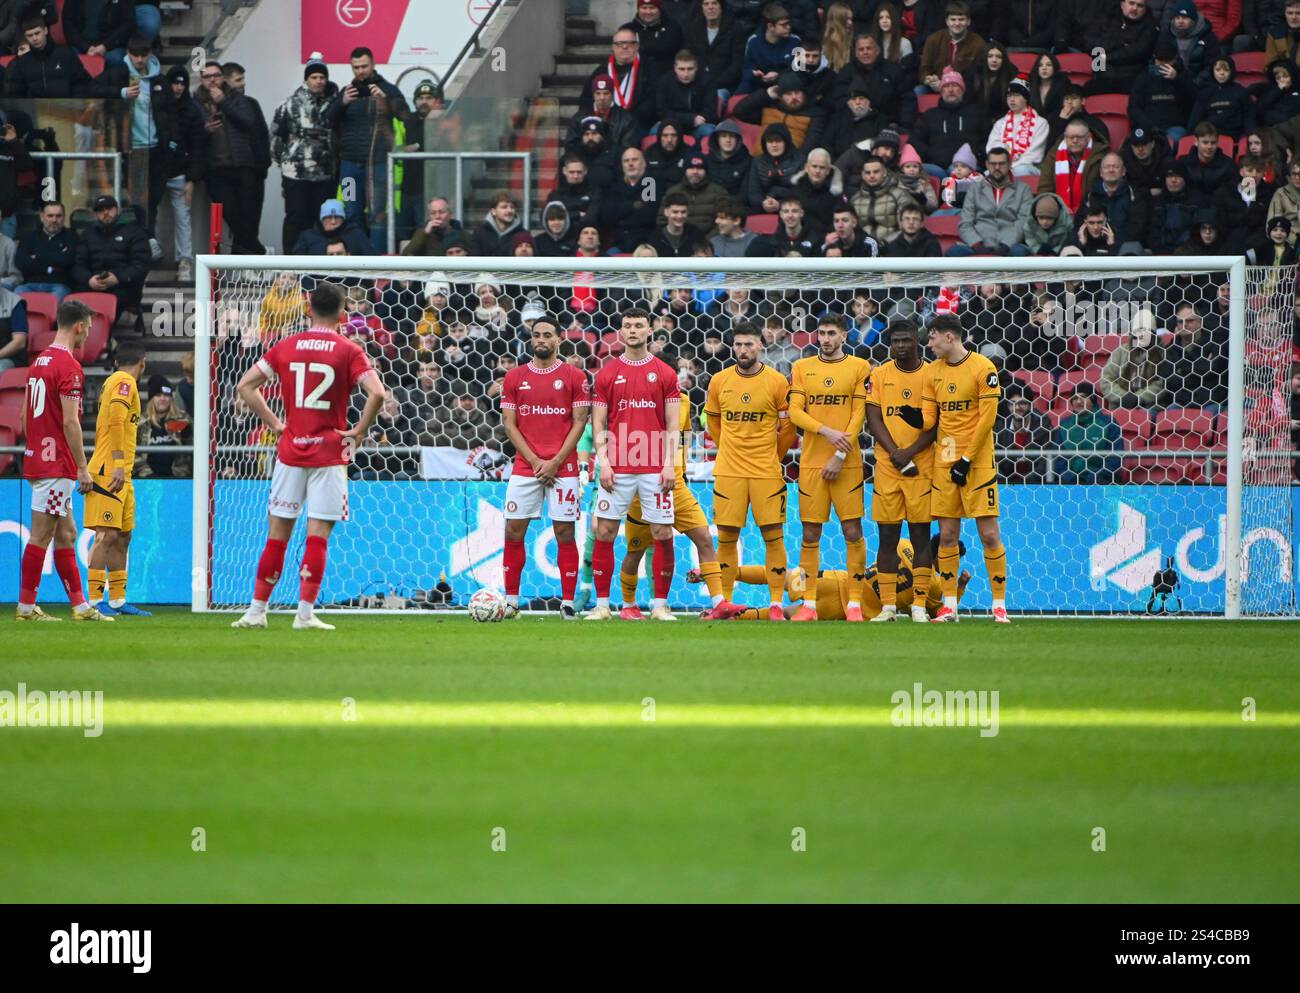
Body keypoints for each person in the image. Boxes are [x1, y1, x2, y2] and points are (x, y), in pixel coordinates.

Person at [231, 282, 387, 630]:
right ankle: (304, 613)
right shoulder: (348, 349)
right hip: (330, 453)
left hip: (290, 452)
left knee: (277, 534)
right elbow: (377, 393)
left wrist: (274, 423)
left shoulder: (286, 346)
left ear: (307, 309)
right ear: (343, 314)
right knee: (317, 534)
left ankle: (256, 611)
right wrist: (360, 431)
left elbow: (244, 386)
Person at [15, 299, 111, 622]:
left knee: (67, 532)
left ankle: (80, 607)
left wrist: (38, 447)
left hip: (41, 458)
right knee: (42, 534)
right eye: (88, 329)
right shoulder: (69, 366)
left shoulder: (39, 361)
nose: (88, 337)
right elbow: (71, 422)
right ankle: (26, 609)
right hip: (57, 464)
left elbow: (26, 420)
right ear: (80, 326)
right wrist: (83, 467)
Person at [584, 308, 682, 621]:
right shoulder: (607, 374)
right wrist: (604, 464)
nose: (633, 330)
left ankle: (659, 606)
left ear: (650, 330)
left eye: (639, 325)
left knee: (662, 533)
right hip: (618, 465)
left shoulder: (665, 373)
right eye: (627, 326)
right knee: (606, 532)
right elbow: (598, 423)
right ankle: (601, 605)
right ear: (621, 332)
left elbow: (672, 425)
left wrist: (670, 464)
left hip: (655, 465)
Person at [618, 384, 746, 621]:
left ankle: (717, 603)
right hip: (642, 486)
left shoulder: (683, 401)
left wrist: (682, 471)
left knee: (705, 538)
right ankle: (628, 604)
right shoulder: (638, 402)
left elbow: (683, 439)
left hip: (675, 485)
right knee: (635, 550)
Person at [498, 316, 591, 618]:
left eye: (547, 335)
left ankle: (567, 603)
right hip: (526, 467)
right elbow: (510, 426)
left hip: (563, 468)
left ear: (558, 339)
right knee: (513, 531)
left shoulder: (575, 377)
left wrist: (555, 462)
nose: (541, 340)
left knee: (565, 532)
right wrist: (538, 461)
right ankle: (511, 601)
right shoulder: (514, 377)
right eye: (536, 334)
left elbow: (579, 422)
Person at [921, 313, 1010, 623]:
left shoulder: (983, 368)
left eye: (932, 337)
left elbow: (987, 419)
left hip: (977, 462)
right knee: (947, 534)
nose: (928, 343)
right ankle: (949, 606)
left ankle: (999, 605)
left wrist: (968, 459)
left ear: (949, 337)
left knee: (988, 533)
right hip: (944, 461)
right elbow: (932, 419)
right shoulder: (932, 372)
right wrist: (909, 418)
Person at [704, 319, 796, 617]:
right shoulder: (719, 380)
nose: (743, 350)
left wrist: (773, 456)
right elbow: (713, 422)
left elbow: (788, 426)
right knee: (727, 537)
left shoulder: (777, 381)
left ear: (760, 345)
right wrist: (728, 448)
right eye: (738, 344)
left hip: (766, 471)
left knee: (773, 535)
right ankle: (725, 603)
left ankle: (775, 604)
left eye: (749, 344)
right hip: (729, 470)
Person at [785, 313, 870, 621]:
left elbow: (859, 413)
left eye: (832, 333)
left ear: (844, 336)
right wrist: (825, 431)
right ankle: (808, 604)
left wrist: (839, 455)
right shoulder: (802, 367)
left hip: (847, 464)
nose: (825, 338)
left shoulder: (859, 367)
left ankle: (855, 605)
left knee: (852, 530)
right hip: (811, 463)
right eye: (821, 333)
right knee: (810, 533)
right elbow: (795, 412)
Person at [864, 320, 938, 622]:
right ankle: (889, 607)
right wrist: (896, 454)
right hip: (888, 467)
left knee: (920, 535)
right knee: (887, 537)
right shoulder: (880, 374)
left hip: (921, 467)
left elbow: (938, 422)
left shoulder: (932, 375)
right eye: (895, 341)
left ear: (917, 342)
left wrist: (910, 452)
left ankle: (919, 604)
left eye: (906, 340)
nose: (900, 346)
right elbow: (873, 417)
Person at [84, 341, 151, 616]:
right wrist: (119, 463)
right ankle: (94, 600)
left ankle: (118, 600)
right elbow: (115, 420)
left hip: (122, 472)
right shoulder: (124, 381)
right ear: (143, 362)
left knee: (123, 536)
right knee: (106, 535)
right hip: (111, 470)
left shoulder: (114, 380)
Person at [323, 47, 412, 245]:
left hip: (378, 164)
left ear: (373, 64)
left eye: (364, 66)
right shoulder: (346, 92)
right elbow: (327, 119)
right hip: (349, 166)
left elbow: (406, 115)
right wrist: (342, 102)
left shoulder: (388, 89)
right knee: (350, 210)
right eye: (356, 67)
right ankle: (356, 259)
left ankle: (377, 263)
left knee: (378, 213)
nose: (361, 71)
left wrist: (385, 101)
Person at [195, 59, 265, 255]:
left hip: (242, 165)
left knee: (248, 216)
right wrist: (205, 130)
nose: (212, 80)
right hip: (215, 169)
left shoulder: (238, 99)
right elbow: (191, 134)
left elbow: (248, 122)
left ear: (223, 78)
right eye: (207, 77)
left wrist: (223, 102)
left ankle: (246, 258)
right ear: (201, 80)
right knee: (232, 215)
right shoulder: (196, 102)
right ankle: (256, 250)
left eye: (216, 75)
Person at [273, 55, 338, 258]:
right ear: (306, 79)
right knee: (295, 218)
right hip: (296, 173)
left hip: (325, 174)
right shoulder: (289, 104)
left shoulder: (334, 104)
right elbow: (276, 137)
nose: (318, 81)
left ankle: (318, 263)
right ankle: (290, 265)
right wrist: (282, 167)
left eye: (321, 77)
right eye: (314, 77)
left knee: (322, 219)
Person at [72, 195, 149, 328]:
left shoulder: (135, 232)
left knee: (110, 302)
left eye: (109, 208)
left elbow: (141, 265)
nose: (105, 212)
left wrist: (118, 278)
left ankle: (102, 341)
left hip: (123, 286)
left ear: (117, 210)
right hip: (92, 284)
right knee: (72, 303)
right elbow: (77, 265)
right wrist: (89, 280)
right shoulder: (87, 234)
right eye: (100, 210)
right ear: (95, 214)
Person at [950, 146, 1033, 256]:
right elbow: (965, 223)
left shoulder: (1024, 189)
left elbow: (1023, 222)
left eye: (1001, 164)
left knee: (1019, 252)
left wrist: (1006, 245)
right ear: (987, 165)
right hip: (979, 244)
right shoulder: (975, 188)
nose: (997, 167)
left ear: (1009, 164)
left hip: (1011, 246)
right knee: (954, 252)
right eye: (993, 164)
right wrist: (976, 244)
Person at [6, 11, 95, 97]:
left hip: (67, 108)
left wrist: (74, 103)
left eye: (37, 33)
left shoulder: (66, 54)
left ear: (45, 31)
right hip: (35, 109)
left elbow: (82, 83)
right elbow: (14, 93)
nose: (35, 38)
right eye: (30, 35)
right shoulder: (21, 62)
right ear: (26, 37)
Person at [1054, 383, 1123, 483]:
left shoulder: (1108, 423)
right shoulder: (1065, 424)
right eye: (1075, 398)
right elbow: (1057, 457)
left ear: (1093, 400)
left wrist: (1094, 477)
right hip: (1070, 481)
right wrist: (1069, 477)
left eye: (1084, 397)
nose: (1078, 401)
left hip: (1100, 480)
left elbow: (1115, 458)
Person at [1100, 309, 1167, 408]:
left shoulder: (1162, 353)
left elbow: (1161, 384)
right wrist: (1123, 397)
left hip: (1149, 406)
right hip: (1120, 405)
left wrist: (1139, 398)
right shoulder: (1121, 351)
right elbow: (1106, 380)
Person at [15, 200, 77, 301]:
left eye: (58, 216)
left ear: (64, 217)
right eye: (50, 216)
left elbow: (67, 260)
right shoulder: (29, 237)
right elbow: (21, 262)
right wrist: (51, 268)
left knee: (52, 302)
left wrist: (37, 256)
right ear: (42, 217)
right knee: (18, 294)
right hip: (30, 285)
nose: (54, 220)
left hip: (59, 286)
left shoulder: (71, 237)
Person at [918, 1, 986, 93]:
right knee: (918, 91)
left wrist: (949, 85)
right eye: (953, 19)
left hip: (964, 89)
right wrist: (929, 80)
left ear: (968, 21)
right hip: (935, 86)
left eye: (961, 19)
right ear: (946, 21)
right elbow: (924, 69)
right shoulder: (933, 39)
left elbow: (980, 75)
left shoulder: (978, 43)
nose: (957, 23)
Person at [737, 2, 801, 94]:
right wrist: (754, 73)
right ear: (770, 26)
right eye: (784, 25)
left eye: (789, 23)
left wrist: (779, 75)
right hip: (757, 86)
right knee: (737, 99)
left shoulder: (795, 41)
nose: (789, 27)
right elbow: (747, 68)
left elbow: (800, 71)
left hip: (785, 87)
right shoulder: (753, 41)